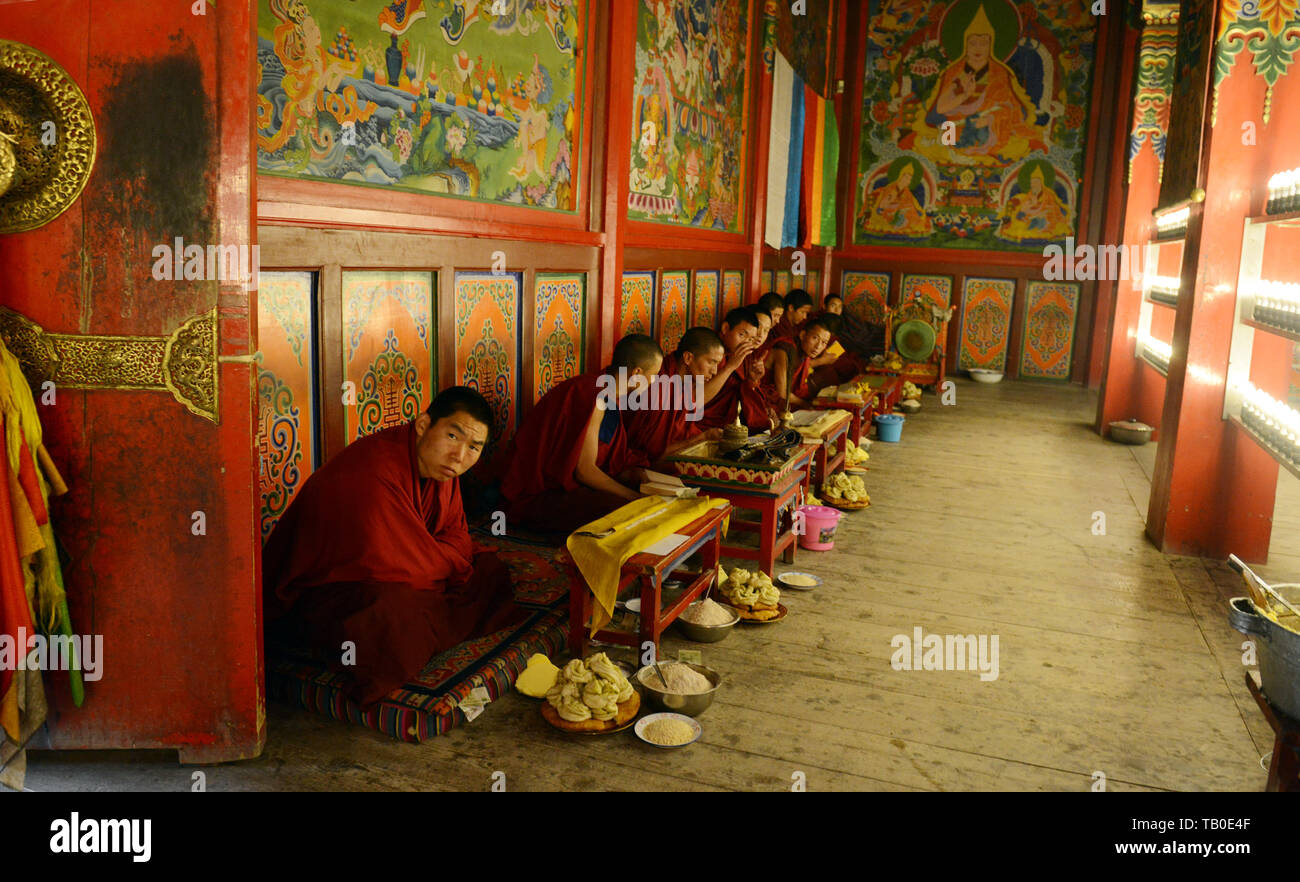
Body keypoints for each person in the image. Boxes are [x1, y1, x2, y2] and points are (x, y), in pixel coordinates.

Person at [263, 386, 529, 707]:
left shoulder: (439, 467)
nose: (459, 456)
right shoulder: (373, 471)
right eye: (452, 436)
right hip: (328, 588)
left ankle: (431, 624)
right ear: (422, 425)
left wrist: (442, 558)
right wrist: (447, 561)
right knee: (392, 618)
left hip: (406, 569)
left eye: (474, 447)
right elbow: (395, 565)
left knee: (490, 571)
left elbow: (456, 536)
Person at [495, 334, 661, 536]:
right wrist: (632, 497)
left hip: (570, 486)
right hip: (538, 495)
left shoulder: (607, 392)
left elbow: (605, 458)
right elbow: (585, 471)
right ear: (636, 373)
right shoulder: (591, 394)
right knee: (627, 512)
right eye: (654, 375)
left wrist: (633, 475)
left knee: (640, 491)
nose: (654, 382)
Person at [624, 327, 726, 463]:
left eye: (717, 364)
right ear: (688, 358)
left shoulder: (683, 380)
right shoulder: (659, 388)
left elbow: (682, 431)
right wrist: (704, 437)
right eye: (711, 362)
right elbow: (652, 456)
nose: (714, 371)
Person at [698, 306, 774, 430]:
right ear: (725, 328)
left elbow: (741, 396)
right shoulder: (709, 353)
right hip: (703, 425)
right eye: (742, 335)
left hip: (730, 424)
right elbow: (696, 400)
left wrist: (752, 380)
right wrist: (730, 367)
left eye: (750, 339)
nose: (745, 343)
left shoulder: (741, 357)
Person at [764, 316, 835, 410]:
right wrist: (804, 404)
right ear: (802, 335)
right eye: (815, 338)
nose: (818, 346)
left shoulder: (804, 354)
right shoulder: (784, 350)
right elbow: (782, 393)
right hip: (763, 400)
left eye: (824, 342)